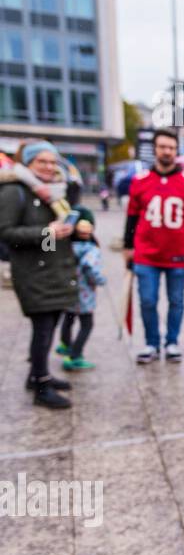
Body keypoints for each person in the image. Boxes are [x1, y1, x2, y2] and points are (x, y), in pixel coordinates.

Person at [0, 142, 79, 408]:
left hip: (53, 269)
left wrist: (74, 230)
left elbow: (50, 233)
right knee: (43, 329)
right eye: (42, 162)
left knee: (48, 327)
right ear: (28, 164)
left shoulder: (52, 193)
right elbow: (6, 234)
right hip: (33, 273)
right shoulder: (15, 191)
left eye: (53, 162)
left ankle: (37, 375)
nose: (48, 167)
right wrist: (47, 233)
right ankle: (42, 385)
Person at [124, 130, 184, 364]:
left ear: (176, 151)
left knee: (176, 300)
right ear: (155, 149)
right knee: (148, 300)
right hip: (146, 252)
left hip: (178, 252)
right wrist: (128, 246)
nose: (167, 152)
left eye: (171, 148)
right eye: (162, 147)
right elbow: (131, 217)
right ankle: (152, 343)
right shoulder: (140, 180)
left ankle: (172, 341)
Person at [57, 212, 107, 371]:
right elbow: (89, 267)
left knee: (68, 318)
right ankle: (74, 356)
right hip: (84, 293)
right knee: (87, 324)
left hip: (67, 290)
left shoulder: (67, 246)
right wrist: (100, 280)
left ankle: (65, 345)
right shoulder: (91, 249)